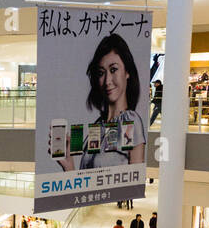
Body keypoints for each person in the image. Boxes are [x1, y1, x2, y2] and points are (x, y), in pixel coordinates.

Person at [52, 33, 146, 176]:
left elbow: (136, 180)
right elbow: (85, 186)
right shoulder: (97, 126)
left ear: (127, 72)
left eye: (113, 70)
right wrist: (69, 165)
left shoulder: (130, 120)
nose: (107, 80)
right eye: (101, 73)